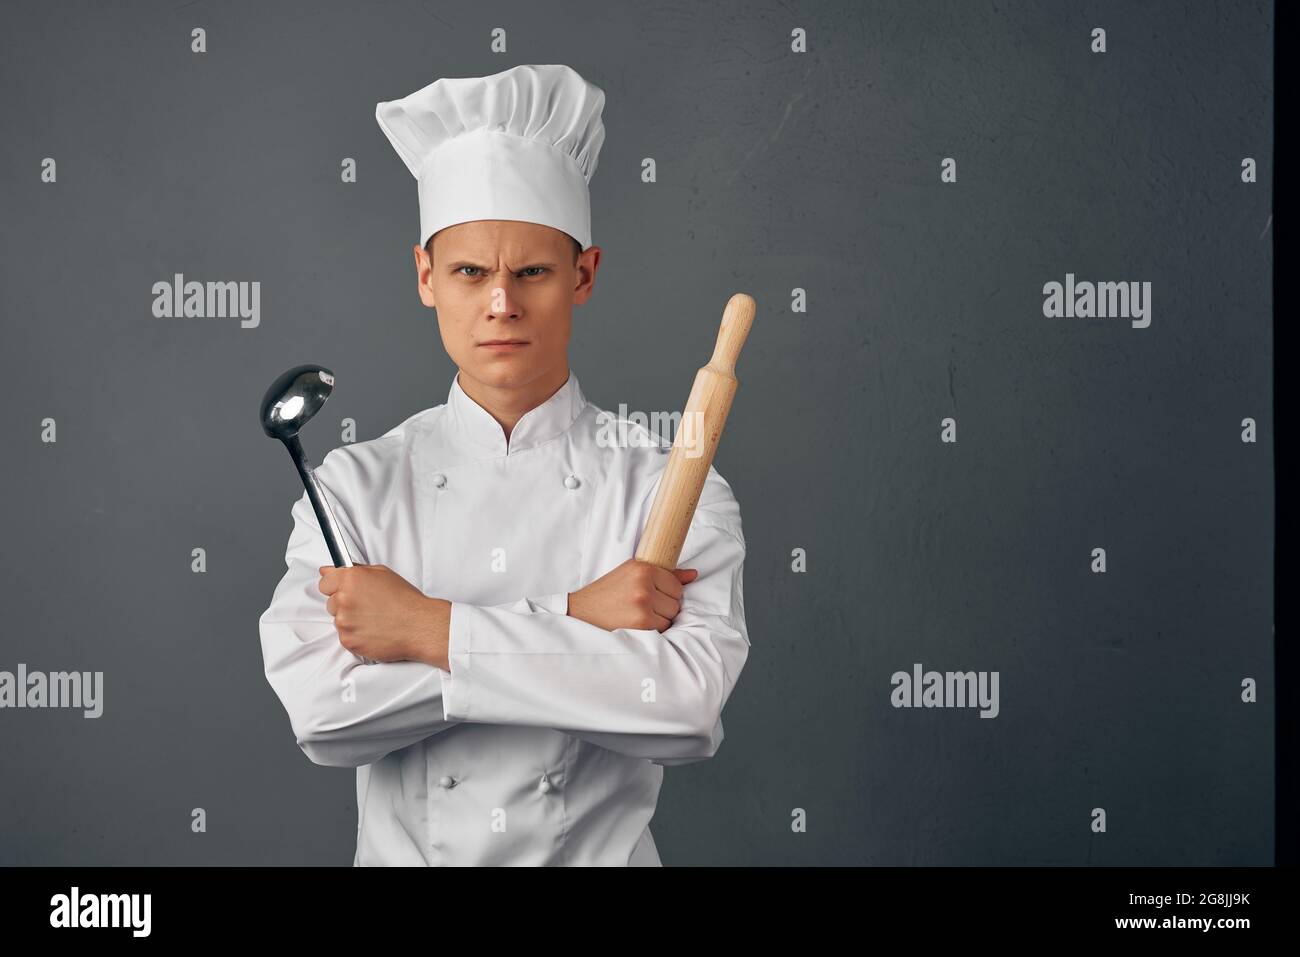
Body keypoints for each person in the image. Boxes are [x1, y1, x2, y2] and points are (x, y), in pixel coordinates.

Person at [257, 64, 749, 866]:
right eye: (469, 272)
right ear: (426, 276)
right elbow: (325, 714)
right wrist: (580, 615)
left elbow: (684, 709)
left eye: (532, 272)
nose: (501, 304)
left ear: (583, 275)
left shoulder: (670, 485)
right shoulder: (351, 487)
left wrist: (421, 629)